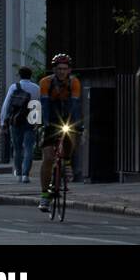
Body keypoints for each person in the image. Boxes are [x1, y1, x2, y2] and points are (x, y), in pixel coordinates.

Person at [38, 53, 82, 213]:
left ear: (69, 69)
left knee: (73, 133)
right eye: (59, 69)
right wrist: (45, 123)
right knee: (48, 158)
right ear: (54, 69)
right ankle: (44, 195)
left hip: (66, 116)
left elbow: (75, 104)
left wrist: (77, 123)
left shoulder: (74, 82)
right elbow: (44, 104)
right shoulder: (45, 82)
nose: (62, 72)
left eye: (65, 69)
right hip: (50, 118)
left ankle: (67, 161)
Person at [1, 66, 41, 184]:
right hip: (31, 119)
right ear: (31, 75)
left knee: (17, 148)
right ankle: (25, 175)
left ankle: (18, 173)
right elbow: (38, 105)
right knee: (29, 147)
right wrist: (37, 122)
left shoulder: (14, 87)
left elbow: (7, 104)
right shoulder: (36, 88)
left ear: (19, 75)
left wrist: (4, 121)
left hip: (16, 120)